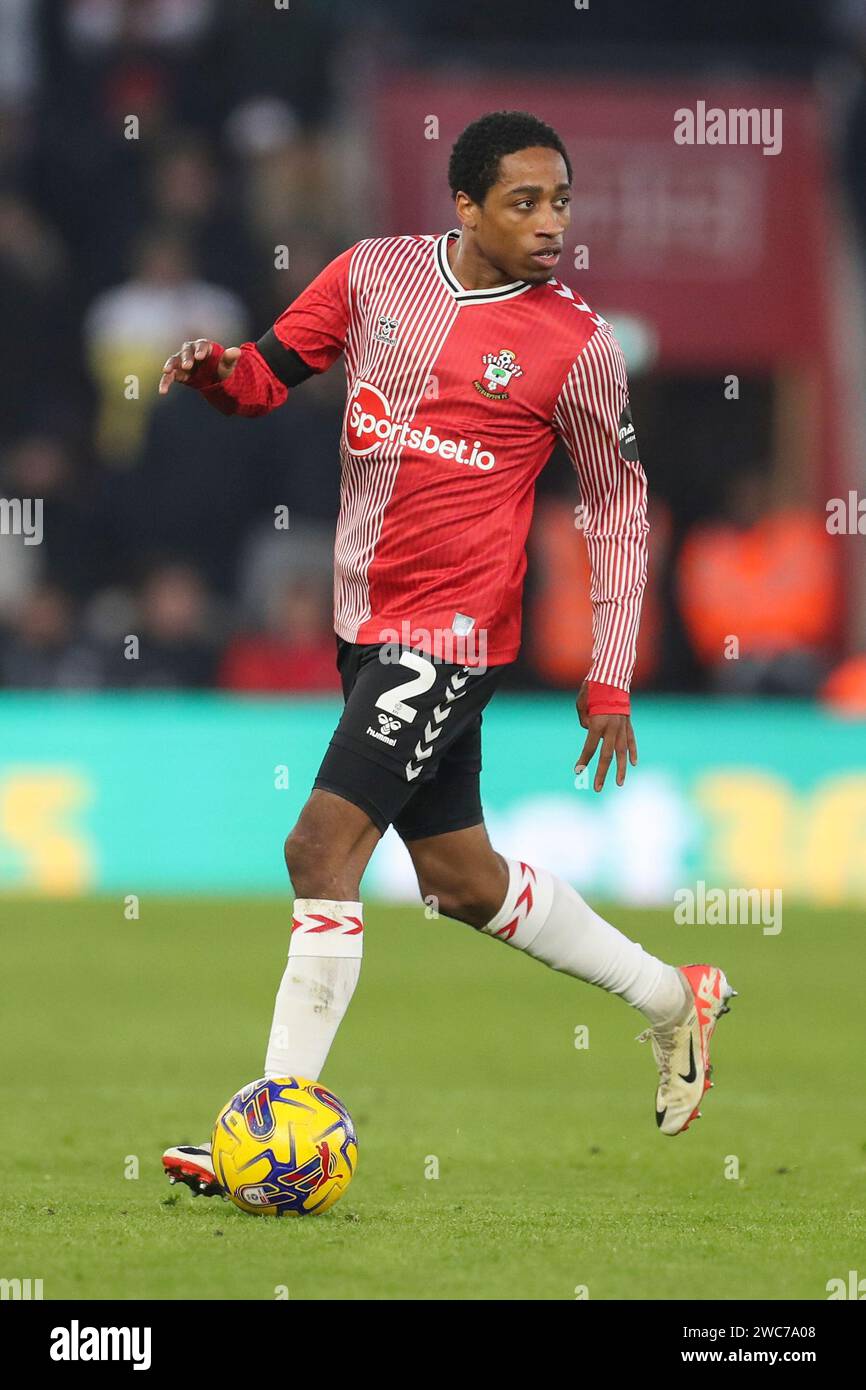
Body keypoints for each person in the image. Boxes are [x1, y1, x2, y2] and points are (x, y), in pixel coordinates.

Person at [158, 111, 735, 1197]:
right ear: (464, 207)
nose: (551, 223)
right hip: (364, 625)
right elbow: (265, 376)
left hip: (450, 637)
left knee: (317, 849)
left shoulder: (577, 346)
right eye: (524, 202)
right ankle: (674, 998)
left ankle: (269, 1136)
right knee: (463, 882)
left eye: (561, 202)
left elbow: (618, 512)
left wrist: (609, 672)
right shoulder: (372, 276)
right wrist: (215, 373)